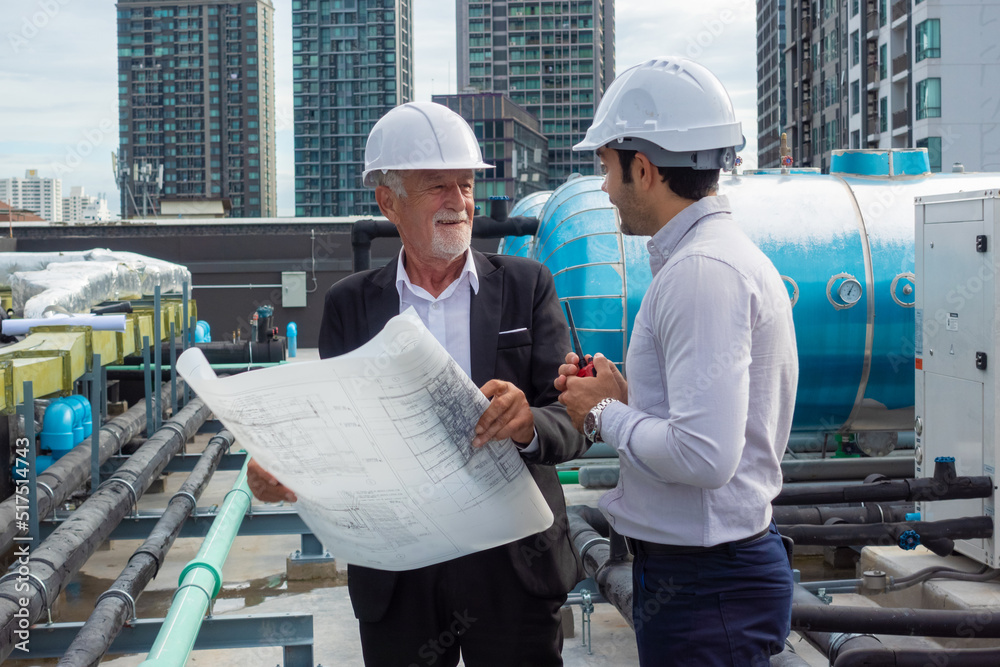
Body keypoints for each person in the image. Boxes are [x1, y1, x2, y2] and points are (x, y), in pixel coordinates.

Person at [247, 101, 586, 667]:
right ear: (389, 202)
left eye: (466, 185)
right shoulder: (351, 305)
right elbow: (340, 433)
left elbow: (573, 419)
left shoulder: (527, 285)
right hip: (400, 570)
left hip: (512, 566)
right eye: (437, 186)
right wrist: (289, 470)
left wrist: (528, 424)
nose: (459, 201)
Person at [556, 56, 798, 666]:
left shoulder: (700, 273)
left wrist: (604, 412)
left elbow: (704, 455)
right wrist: (628, 399)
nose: (604, 187)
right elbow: (703, 428)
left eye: (605, 167)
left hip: (705, 584)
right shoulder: (712, 259)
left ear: (643, 168)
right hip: (707, 576)